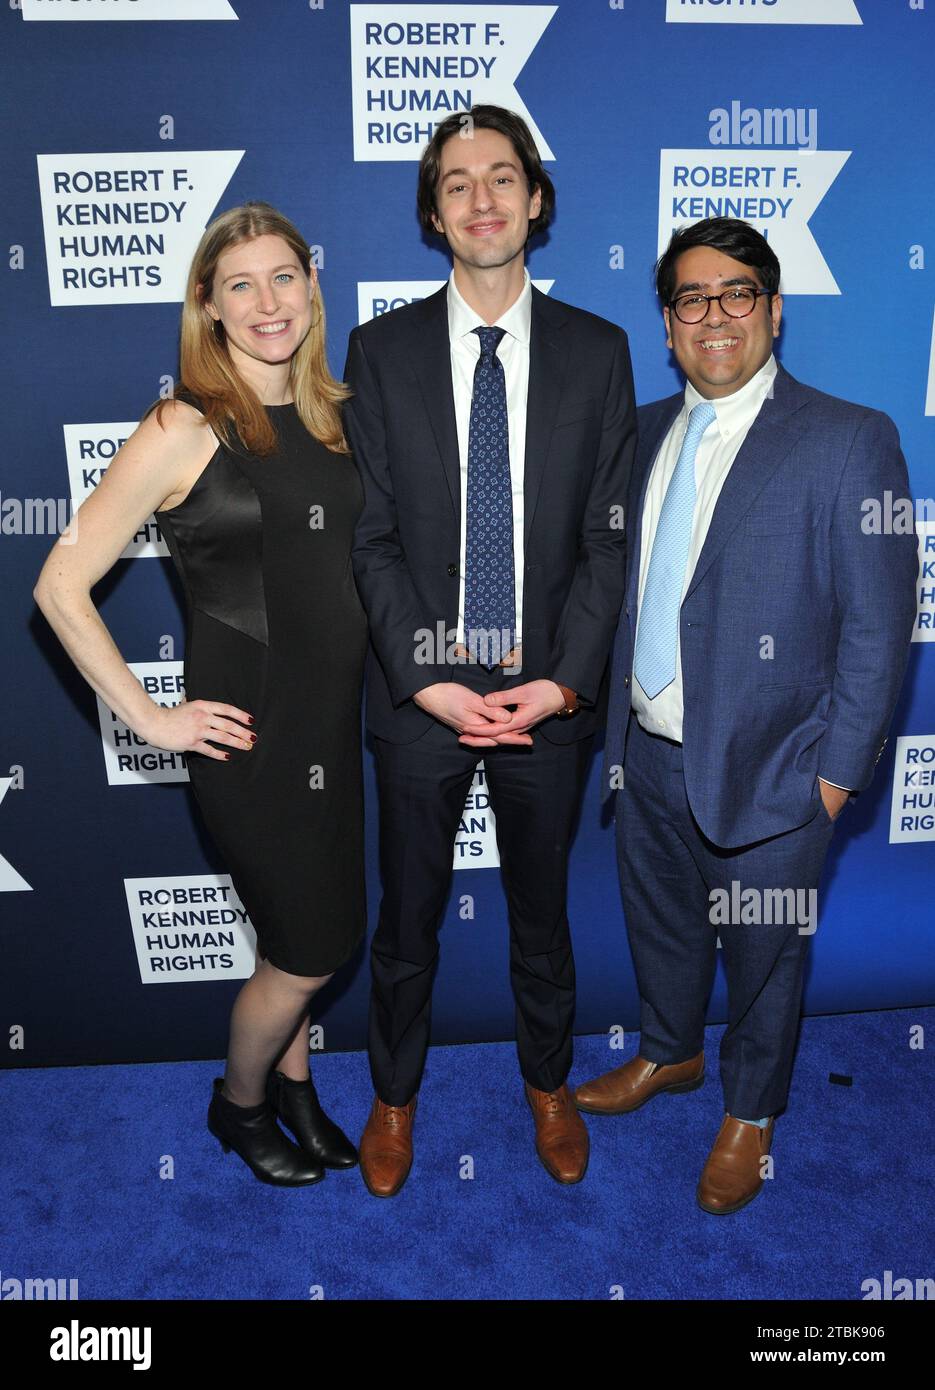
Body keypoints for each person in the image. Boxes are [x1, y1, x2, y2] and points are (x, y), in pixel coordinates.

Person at [575, 217, 918, 1214]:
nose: (712, 314)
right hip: (643, 754)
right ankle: (670, 1053)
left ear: (772, 311)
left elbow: (876, 625)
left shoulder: (850, 438)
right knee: (663, 928)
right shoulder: (639, 433)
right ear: (668, 326)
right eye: (690, 298)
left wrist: (835, 774)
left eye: (735, 294)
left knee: (764, 956)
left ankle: (750, 1111)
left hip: (776, 770)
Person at [34, 202, 366, 1187]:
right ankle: (239, 1102)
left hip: (330, 733)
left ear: (311, 286)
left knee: (293, 934)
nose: (267, 302)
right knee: (308, 953)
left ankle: (297, 1087)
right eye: (239, 285)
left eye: (282, 277)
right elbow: (59, 584)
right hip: (248, 742)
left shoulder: (332, 415)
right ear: (208, 310)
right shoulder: (182, 426)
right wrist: (149, 715)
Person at [343, 105, 636, 1196]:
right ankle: (392, 1096)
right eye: (457, 182)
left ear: (535, 200)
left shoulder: (597, 352)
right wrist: (426, 681)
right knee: (406, 917)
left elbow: (609, 544)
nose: (481, 199)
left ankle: (548, 1086)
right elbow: (368, 538)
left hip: (545, 692)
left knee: (541, 916)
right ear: (433, 212)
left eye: (501, 177)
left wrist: (560, 681)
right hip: (421, 692)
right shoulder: (377, 352)